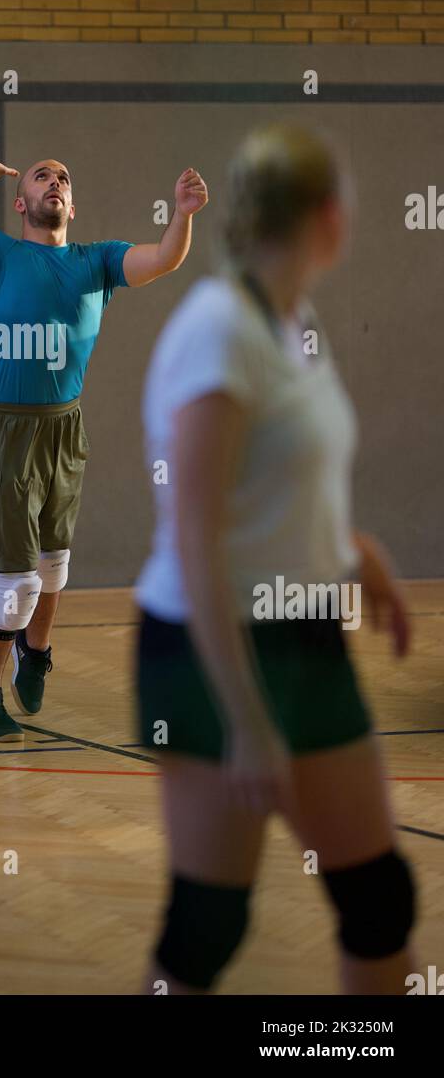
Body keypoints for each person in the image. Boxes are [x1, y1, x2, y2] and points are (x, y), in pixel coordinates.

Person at [135, 123, 415, 994]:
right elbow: (197, 535)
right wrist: (248, 720)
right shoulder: (218, 331)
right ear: (329, 216)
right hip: (209, 655)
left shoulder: (295, 320)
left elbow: (286, 483)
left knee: (378, 901)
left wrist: (353, 554)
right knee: (207, 927)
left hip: (305, 638)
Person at [0, 154, 208, 740]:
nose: (55, 181)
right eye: (41, 176)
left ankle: (37, 651)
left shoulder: (96, 261)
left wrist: (182, 216)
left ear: (71, 208)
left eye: (64, 179)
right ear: (23, 203)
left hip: (64, 428)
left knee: (54, 569)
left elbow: (163, 258)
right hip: (6, 432)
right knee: (18, 584)